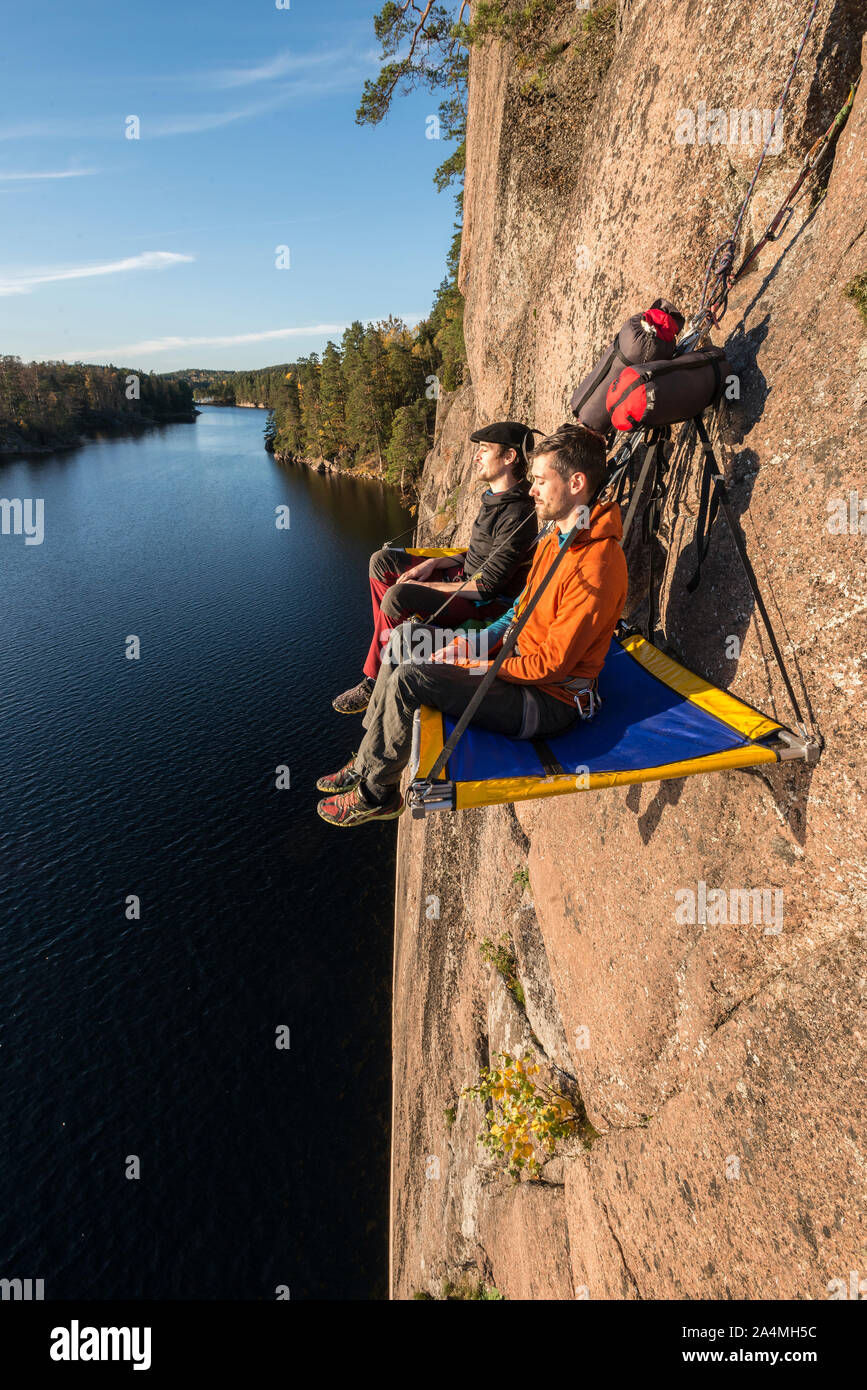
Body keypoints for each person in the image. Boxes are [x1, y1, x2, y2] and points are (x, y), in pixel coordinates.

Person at [316, 423, 629, 826]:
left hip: (549, 701)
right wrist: (474, 644)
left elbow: (550, 667)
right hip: (514, 665)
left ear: (576, 483)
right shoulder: (557, 538)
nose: (531, 490)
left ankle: (377, 793)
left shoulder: (598, 566)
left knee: (414, 678)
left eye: (540, 480)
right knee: (404, 638)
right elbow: (518, 612)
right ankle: (365, 762)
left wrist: (467, 663)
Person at [331, 421, 537, 714]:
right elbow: (480, 554)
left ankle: (374, 679)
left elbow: (487, 586)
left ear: (509, 458)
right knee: (382, 561)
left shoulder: (517, 513)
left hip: (481, 603)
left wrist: (424, 586)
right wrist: (435, 562)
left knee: (398, 596)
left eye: (484, 450)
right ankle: (392, 640)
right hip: (462, 578)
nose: (476, 457)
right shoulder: (495, 498)